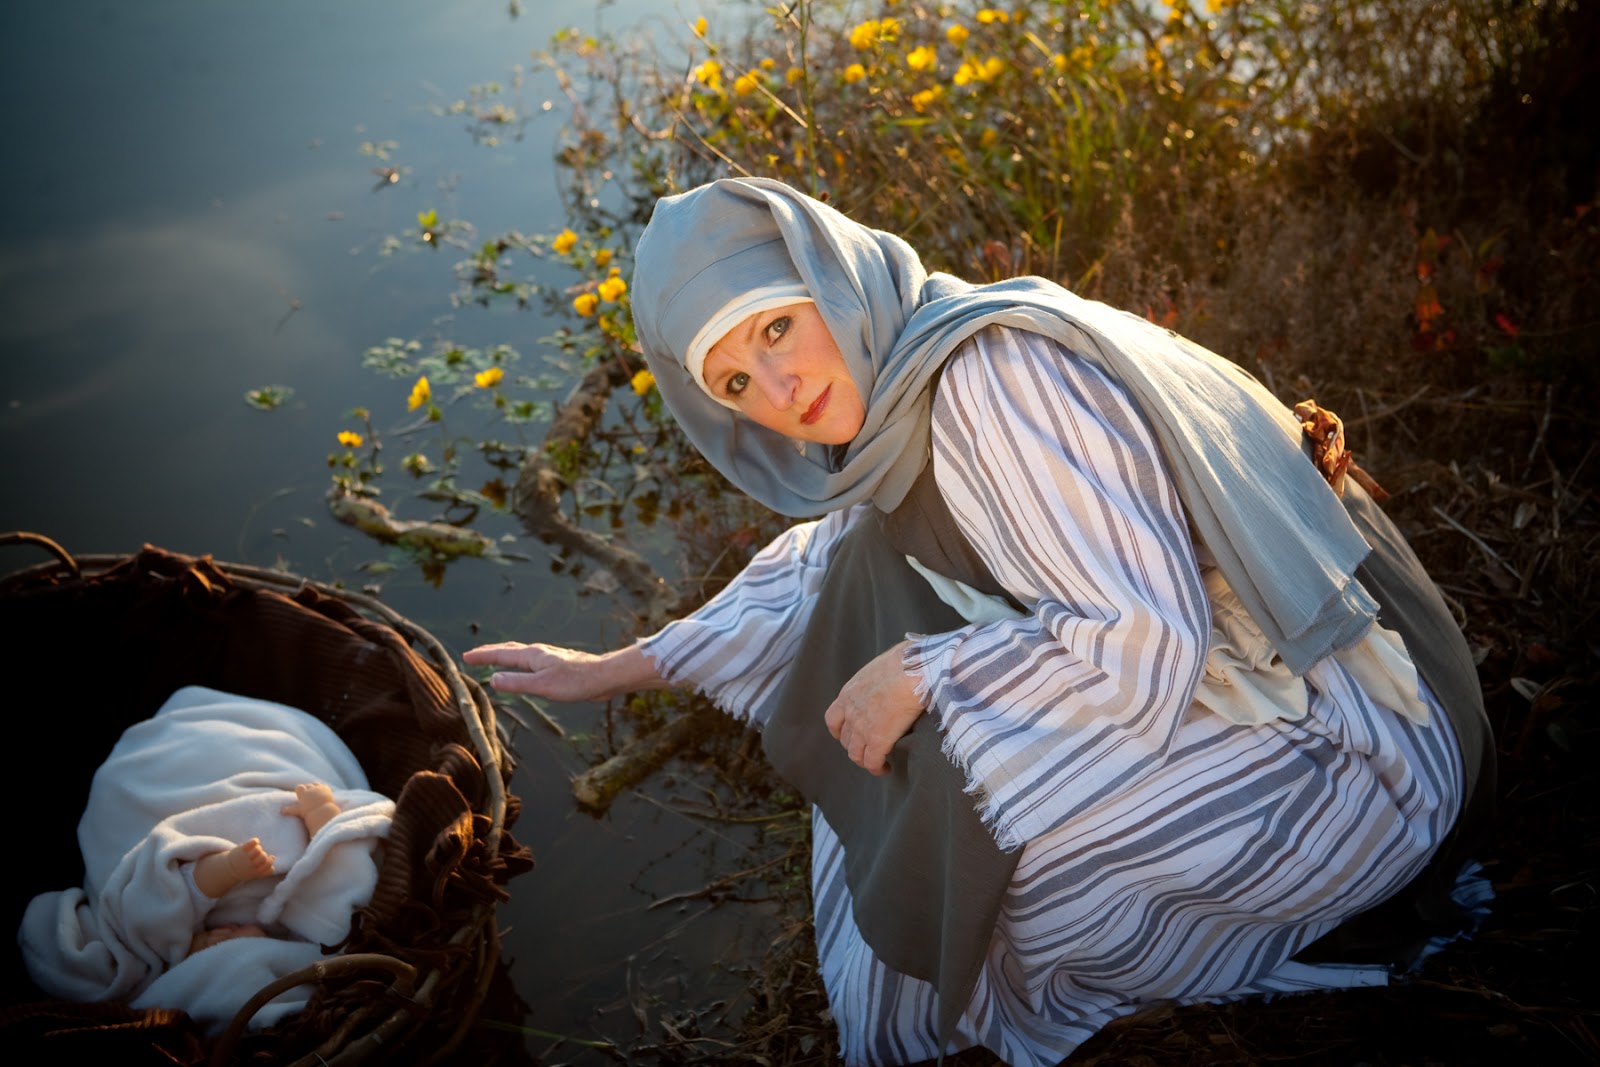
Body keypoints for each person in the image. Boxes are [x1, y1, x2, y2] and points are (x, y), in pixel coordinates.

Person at [465, 177, 1494, 1067]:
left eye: (776, 324)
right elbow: (819, 565)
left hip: (1363, 722)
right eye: (734, 380)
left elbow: (1141, 640)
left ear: (830, 279)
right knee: (903, 771)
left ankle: (1352, 902)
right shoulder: (899, 388)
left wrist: (931, 667)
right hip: (1269, 664)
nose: (778, 388)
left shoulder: (988, 381)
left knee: (1005, 881)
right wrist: (619, 667)